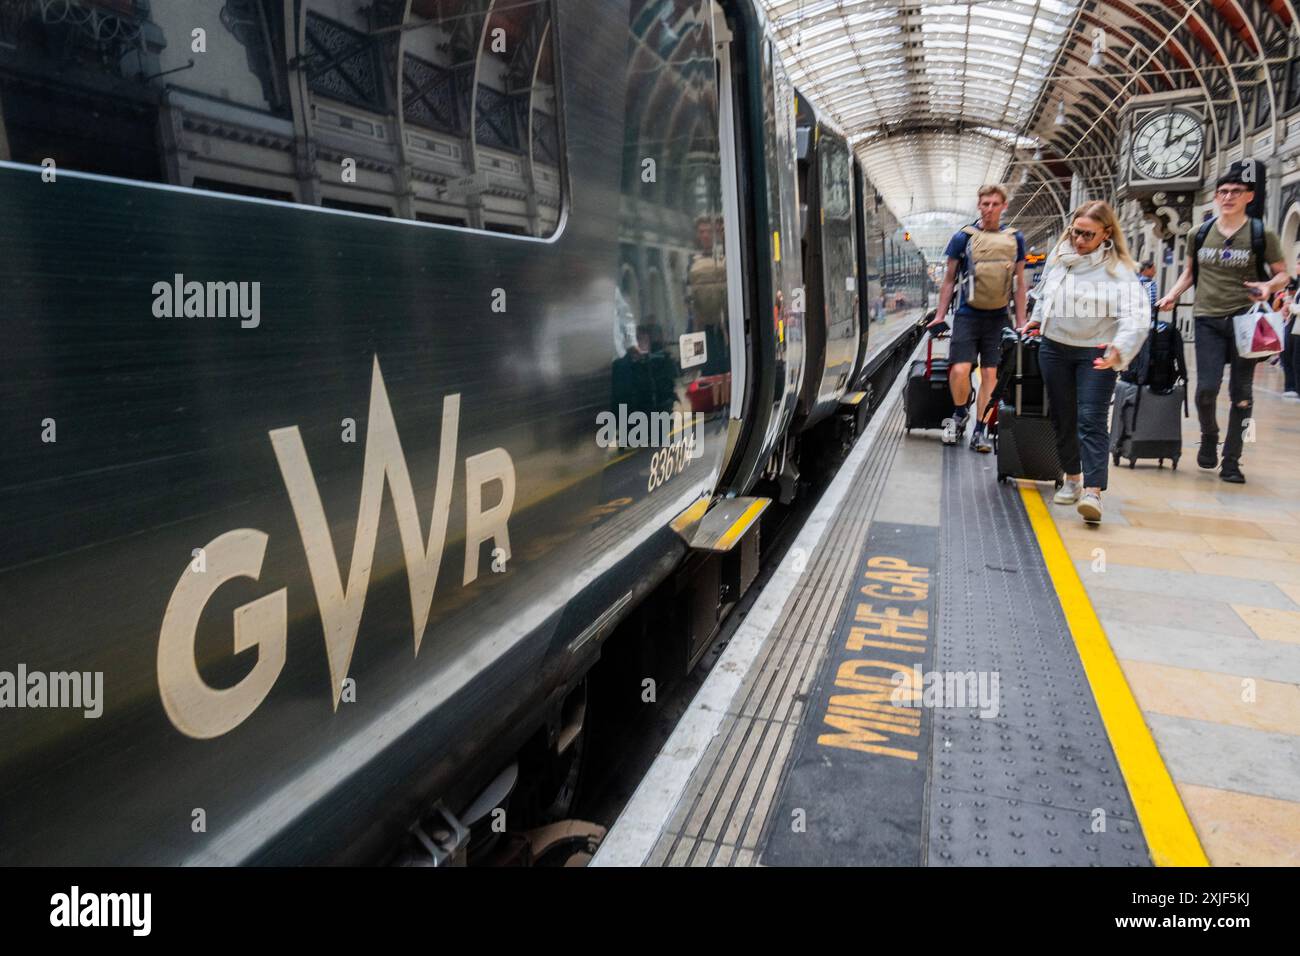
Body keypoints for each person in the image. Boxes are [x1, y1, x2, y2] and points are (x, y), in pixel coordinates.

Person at [1155, 161, 1290, 483]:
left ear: (1248, 196)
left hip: (1247, 323)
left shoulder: (1261, 234)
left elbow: (1283, 274)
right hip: (1207, 319)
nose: (1228, 196)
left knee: (1242, 393)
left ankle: (1233, 459)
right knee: (1205, 390)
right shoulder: (1199, 233)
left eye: (1236, 192)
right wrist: (1172, 294)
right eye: (1223, 192)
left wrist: (1268, 286)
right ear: (1216, 197)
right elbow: (1189, 273)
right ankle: (1210, 435)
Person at [1026, 202, 1148, 524]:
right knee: (1063, 417)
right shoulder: (1060, 258)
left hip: (1095, 352)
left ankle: (1093, 492)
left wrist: (1119, 348)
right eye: (1075, 231)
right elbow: (1046, 294)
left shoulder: (1118, 269)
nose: (1079, 240)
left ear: (1106, 233)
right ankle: (1072, 478)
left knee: (1092, 419)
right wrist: (1037, 321)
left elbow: (1136, 314)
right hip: (1054, 348)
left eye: (1088, 234)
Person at [927, 184, 1028, 452]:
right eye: (985, 204)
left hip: (998, 318)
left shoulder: (1015, 238)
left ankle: (980, 431)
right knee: (959, 370)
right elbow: (948, 280)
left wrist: (1021, 322)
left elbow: (1020, 284)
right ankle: (961, 413)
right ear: (979, 205)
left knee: (990, 375)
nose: (990, 209)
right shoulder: (963, 237)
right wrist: (939, 316)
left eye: (995, 204)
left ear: (1004, 206)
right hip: (966, 314)